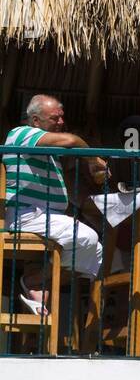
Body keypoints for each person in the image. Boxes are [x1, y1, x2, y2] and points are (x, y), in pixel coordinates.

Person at [2, 95, 108, 314]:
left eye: (61, 118)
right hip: (26, 215)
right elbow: (70, 141)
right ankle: (34, 279)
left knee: (98, 254)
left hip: (45, 217)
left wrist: (95, 174)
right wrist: (93, 158)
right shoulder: (21, 134)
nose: (61, 122)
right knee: (87, 238)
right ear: (35, 121)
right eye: (54, 119)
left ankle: (38, 282)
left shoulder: (46, 151)